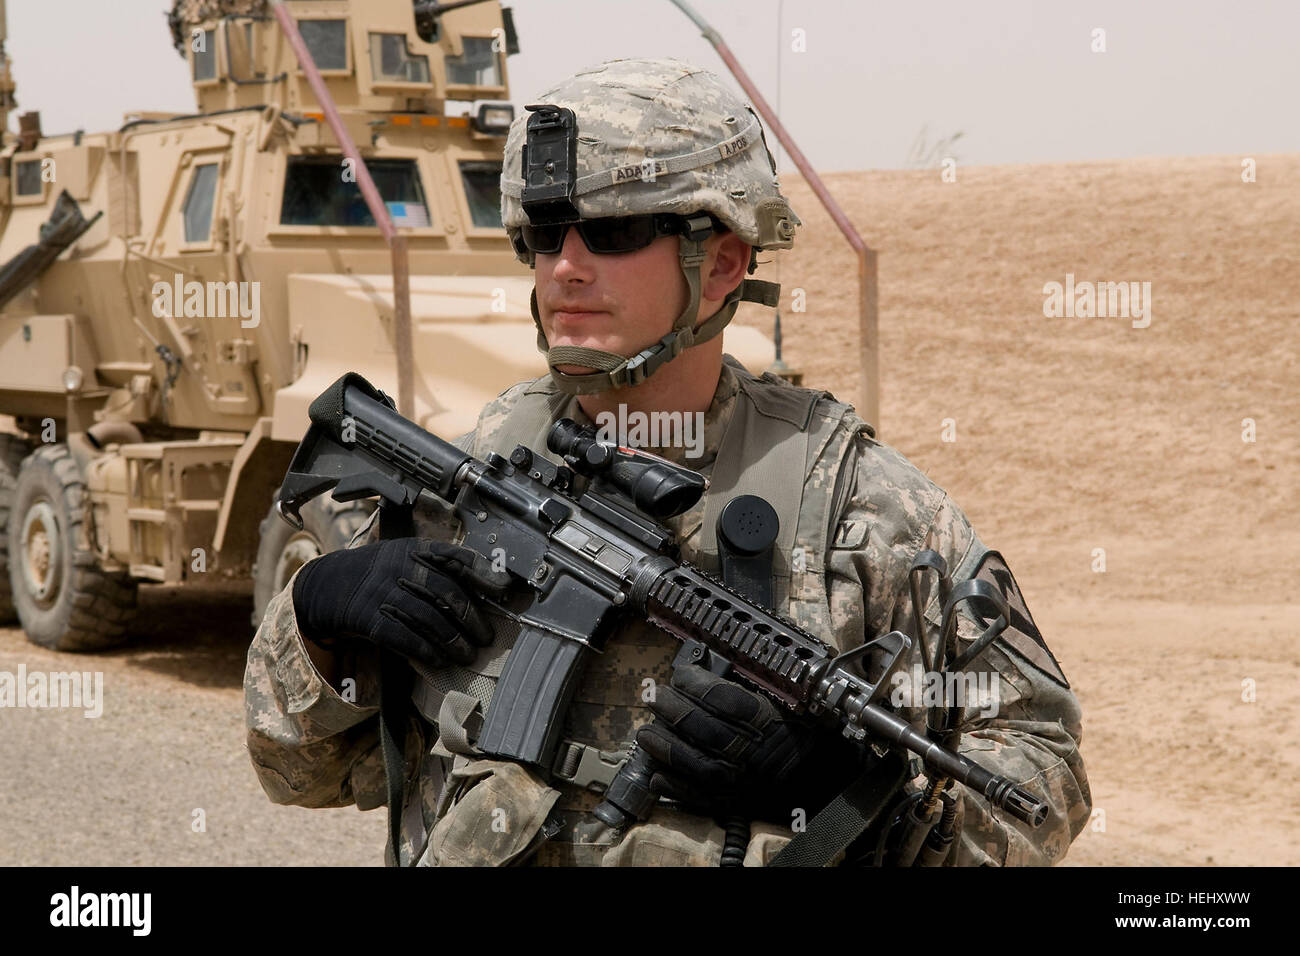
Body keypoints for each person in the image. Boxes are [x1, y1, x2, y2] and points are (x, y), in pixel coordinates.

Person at [244, 57, 1091, 867]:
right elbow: (301, 771)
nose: (566, 267)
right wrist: (315, 619)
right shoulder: (465, 477)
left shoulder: (870, 514)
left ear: (720, 261)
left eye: (612, 233)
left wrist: (851, 790)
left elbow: (1041, 797)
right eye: (545, 234)